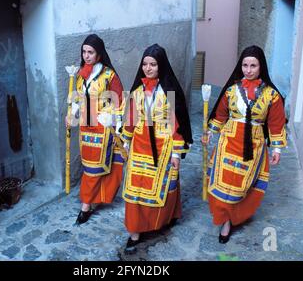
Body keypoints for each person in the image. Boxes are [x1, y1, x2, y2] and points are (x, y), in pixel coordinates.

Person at [201, 45, 287, 243]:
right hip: (228, 141)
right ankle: (225, 221)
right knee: (222, 181)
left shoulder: (271, 95)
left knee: (242, 186)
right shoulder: (231, 91)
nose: (248, 70)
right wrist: (210, 132)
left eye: (253, 66)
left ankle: (234, 215)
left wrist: (276, 148)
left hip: (253, 144)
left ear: (260, 67)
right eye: (245, 65)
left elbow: (275, 123)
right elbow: (221, 115)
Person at [120, 44, 193, 254]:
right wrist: (125, 141)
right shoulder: (136, 92)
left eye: (153, 64)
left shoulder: (168, 92)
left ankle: (162, 220)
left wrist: (177, 153)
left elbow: (175, 124)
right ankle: (134, 230)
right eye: (145, 64)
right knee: (134, 190)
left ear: (161, 66)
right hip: (139, 145)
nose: (148, 68)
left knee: (166, 186)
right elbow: (131, 120)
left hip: (163, 145)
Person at [67, 34, 124, 225]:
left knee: (96, 168)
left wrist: (115, 123)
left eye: (90, 52)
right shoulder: (81, 74)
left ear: (99, 54)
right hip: (85, 124)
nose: (86, 56)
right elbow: (77, 98)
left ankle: (85, 206)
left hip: (103, 124)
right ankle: (92, 200)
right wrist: (71, 114)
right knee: (89, 167)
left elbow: (119, 101)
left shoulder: (109, 75)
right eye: (84, 52)